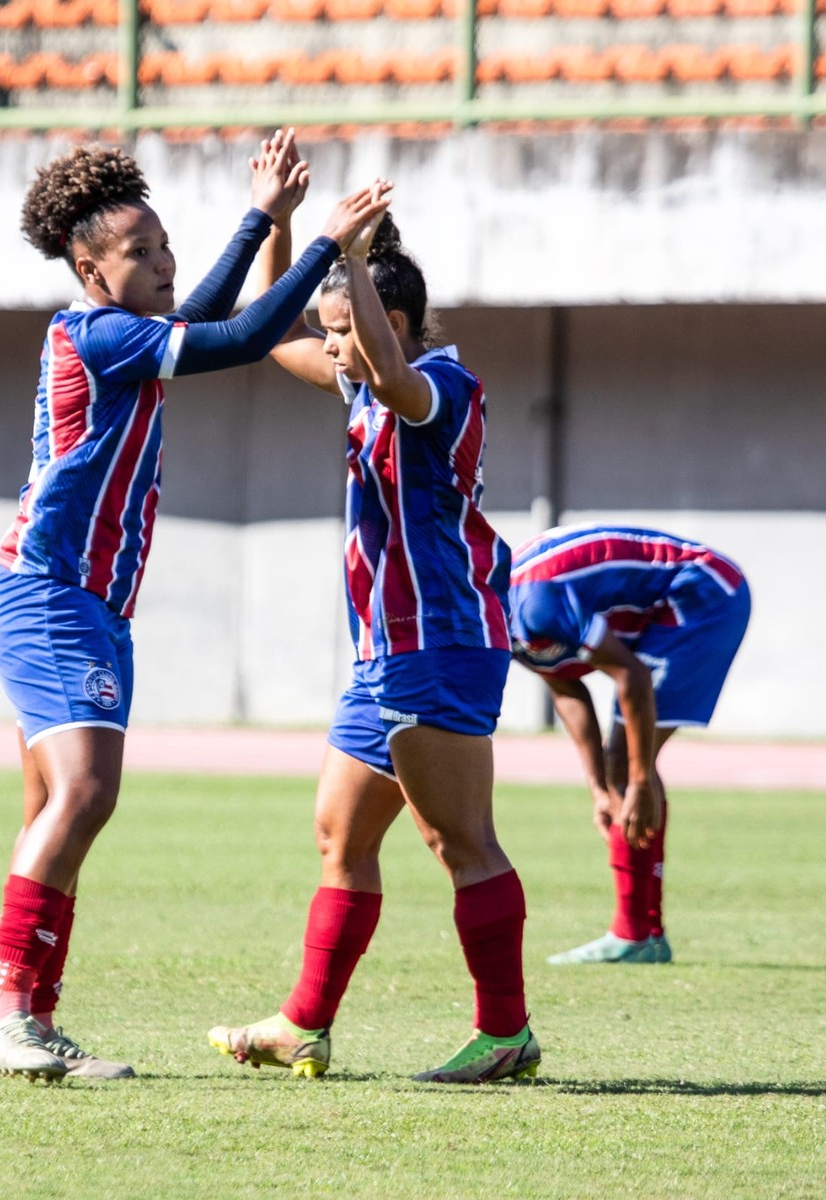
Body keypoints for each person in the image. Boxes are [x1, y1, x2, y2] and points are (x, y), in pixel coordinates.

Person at [0, 132, 390, 1082]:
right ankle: (6, 1010)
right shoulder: (99, 332)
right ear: (90, 269)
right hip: (51, 593)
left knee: (56, 804)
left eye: (167, 245)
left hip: (79, 601)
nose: (166, 263)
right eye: (144, 253)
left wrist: (266, 221)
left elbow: (207, 317)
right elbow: (238, 338)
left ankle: (27, 1014)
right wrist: (317, 242)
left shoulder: (121, 333)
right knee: (83, 794)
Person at [208, 176, 539, 1085]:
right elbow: (270, 332)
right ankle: (304, 1024)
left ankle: (505, 1032)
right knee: (340, 838)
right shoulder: (359, 376)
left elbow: (392, 375)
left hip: (444, 643)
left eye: (345, 324)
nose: (332, 344)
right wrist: (279, 222)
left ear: (389, 316)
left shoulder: (438, 382)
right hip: (385, 655)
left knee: (459, 840)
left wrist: (349, 254)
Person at [508, 522, 751, 964]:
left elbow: (631, 674)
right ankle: (644, 933)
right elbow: (566, 688)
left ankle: (636, 934)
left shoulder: (531, 607)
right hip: (672, 598)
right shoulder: (496, 615)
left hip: (702, 592)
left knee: (628, 763)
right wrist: (600, 789)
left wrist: (636, 780)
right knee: (618, 768)